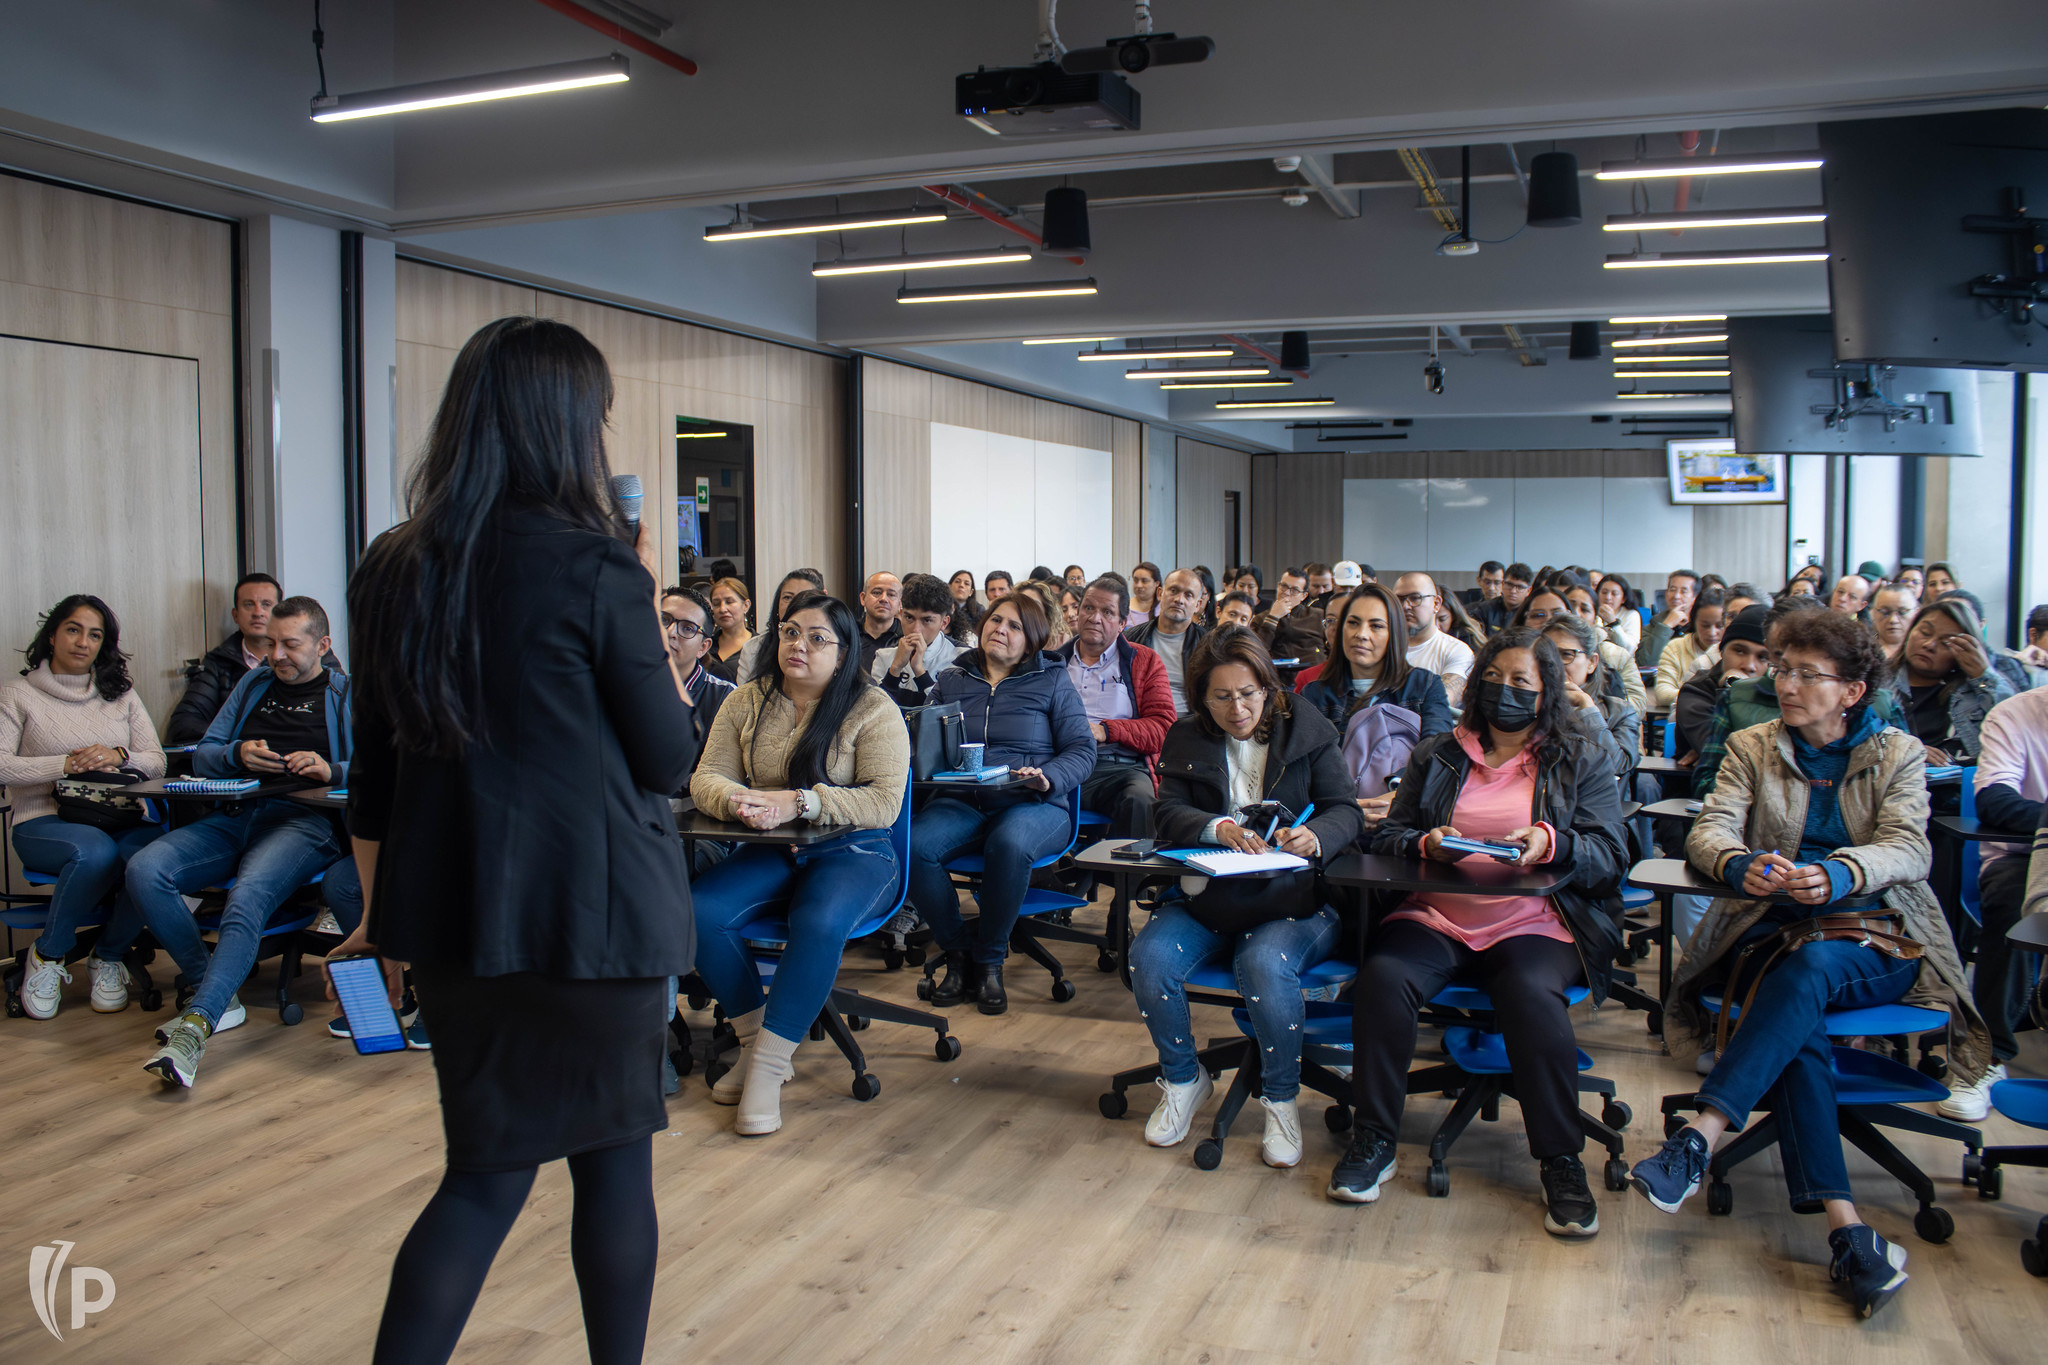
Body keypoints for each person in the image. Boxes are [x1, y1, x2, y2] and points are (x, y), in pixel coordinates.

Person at [319, 316, 694, 1365]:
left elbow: (376, 778)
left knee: (482, 1178)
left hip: (452, 920)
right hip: (595, 917)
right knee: (614, 1168)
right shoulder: (595, 567)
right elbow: (666, 757)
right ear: (570, 424)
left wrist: (377, 920)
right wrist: (645, 598)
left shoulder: (395, 565)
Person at [1632, 610, 1990, 1320]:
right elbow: (1710, 827)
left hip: (1880, 935)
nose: (1785, 683)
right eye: (1780, 667)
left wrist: (1841, 873)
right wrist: (1739, 863)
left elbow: (1909, 849)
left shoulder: (1897, 753)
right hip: (1770, 925)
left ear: (1852, 689)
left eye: (1805, 673)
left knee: (1807, 975)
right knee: (1799, 1018)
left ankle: (1699, 1136)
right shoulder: (1751, 745)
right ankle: (1849, 1231)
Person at [1328, 628, 1627, 1237]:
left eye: (1522, 683)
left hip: (1536, 922)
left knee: (1528, 993)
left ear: (1548, 693)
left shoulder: (1579, 758)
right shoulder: (1437, 753)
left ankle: (1561, 1160)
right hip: (1438, 914)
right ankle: (1374, 1138)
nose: (1505, 692)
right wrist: (1421, 842)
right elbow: (1384, 837)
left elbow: (1610, 854)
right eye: (1494, 679)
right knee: (1384, 977)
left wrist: (1553, 842)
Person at [1135, 627, 1366, 1167]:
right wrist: (1217, 828)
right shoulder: (1189, 735)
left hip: (1295, 897)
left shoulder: (1309, 731)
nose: (1237, 708)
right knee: (1149, 958)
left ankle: (1281, 1099)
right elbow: (1167, 814)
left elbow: (1346, 811)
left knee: (1263, 962)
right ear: (1202, 698)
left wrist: (1317, 835)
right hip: (1213, 894)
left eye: (1249, 693)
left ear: (1269, 687)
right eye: (1221, 697)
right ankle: (1183, 1078)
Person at [690, 592, 910, 1135]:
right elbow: (707, 777)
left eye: (817, 638)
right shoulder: (748, 699)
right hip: (773, 851)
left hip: (855, 852)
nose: (798, 645)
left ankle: (766, 1070)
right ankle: (755, 1040)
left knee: (817, 921)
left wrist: (801, 802)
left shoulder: (872, 706)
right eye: (790, 632)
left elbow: (884, 802)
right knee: (699, 911)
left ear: (843, 652)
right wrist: (739, 801)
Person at [130, 596, 351, 1086]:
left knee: (247, 896)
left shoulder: (344, 695)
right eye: (271, 643)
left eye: (291, 644)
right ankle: (216, 992)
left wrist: (330, 768)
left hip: (304, 822)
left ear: (323, 645)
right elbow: (202, 754)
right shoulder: (253, 683)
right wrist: (238, 752)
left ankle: (196, 1025)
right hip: (235, 815)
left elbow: (381, 769)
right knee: (145, 870)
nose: (278, 654)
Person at [906, 592, 1095, 1013]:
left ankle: (989, 960)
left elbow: (1083, 750)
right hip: (963, 799)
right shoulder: (953, 678)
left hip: (1033, 802)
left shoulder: (1051, 679)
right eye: (995, 621)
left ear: (1031, 642)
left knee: (1008, 844)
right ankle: (958, 952)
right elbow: (927, 744)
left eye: (1013, 627)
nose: (1000, 630)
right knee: (915, 847)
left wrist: (1049, 778)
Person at [3, 595, 167, 1019]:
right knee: (95, 851)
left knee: (154, 859)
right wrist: (65, 765)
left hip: (119, 815)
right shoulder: (17, 694)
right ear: (52, 635)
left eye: (95, 635)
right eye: (73, 630)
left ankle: (108, 956)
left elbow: (156, 759)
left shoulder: (121, 694)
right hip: (42, 819)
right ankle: (49, 956)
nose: (83, 642)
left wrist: (118, 754)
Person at [1947, 687, 2048, 1119]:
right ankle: (1986, 1056)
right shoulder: (2016, 713)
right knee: (2013, 904)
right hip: (2021, 856)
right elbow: (1995, 799)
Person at [1053, 576, 1175, 838]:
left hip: (1117, 767)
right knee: (1025, 792)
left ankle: (1128, 878)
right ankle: (1048, 876)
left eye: (1107, 612)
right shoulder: (1053, 662)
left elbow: (1163, 728)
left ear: (1122, 623)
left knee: (1139, 800)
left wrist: (1105, 731)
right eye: (1088, 608)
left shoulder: (1144, 661)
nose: (1094, 618)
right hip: (1061, 762)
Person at [166, 572, 340, 744]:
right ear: (235, 615)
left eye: (266, 604)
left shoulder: (320, 660)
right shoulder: (220, 661)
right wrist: (239, 746)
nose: (258, 612)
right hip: (241, 764)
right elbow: (184, 724)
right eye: (249, 604)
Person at [1298, 583, 1454, 739]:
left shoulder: (1425, 686)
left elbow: (1436, 754)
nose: (1361, 634)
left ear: (1394, 634)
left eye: (1376, 626)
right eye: (1353, 623)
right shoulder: (1315, 694)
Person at [1889, 596, 2013, 766]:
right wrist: (1905, 750)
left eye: (1946, 642)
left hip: (1956, 787)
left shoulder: (1973, 691)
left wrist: (1983, 675)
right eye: (1925, 632)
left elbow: (2014, 727)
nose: (1929, 644)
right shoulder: (1877, 682)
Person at [1540, 613, 1640, 780]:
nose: (1555, 664)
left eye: (1566, 655)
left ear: (1592, 662)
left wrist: (1587, 711)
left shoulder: (1620, 711)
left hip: (1597, 802)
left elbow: (1617, 766)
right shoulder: (1529, 705)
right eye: (1547, 655)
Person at [1673, 604, 1770, 762]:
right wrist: (1734, 689)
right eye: (1739, 651)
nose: (1749, 665)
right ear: (1721, 651)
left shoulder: (1778, 692)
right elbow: (1724, 755)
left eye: (1763, 657)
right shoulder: (1696, 691)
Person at [662, 584, 735, 759]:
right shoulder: (621, 684)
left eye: (687, 628)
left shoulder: (726, 697)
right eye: (664, 620)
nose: (671, 632)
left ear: (703, 647)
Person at [1125, 568, 1209, 712]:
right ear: (1160, 594)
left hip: (1190, 724)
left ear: (1198, 605)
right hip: (1142, 721)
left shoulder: (1208, 644)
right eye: (1173, 591)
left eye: (1188, 595)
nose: (1179, 600)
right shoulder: (1132, 639)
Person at [1559, 580, 1648, 715]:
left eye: (1584, 609)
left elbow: (1638, 704)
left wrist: (1589, 707)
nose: (1576, 614)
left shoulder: (1616, 655)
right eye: (1571, 607)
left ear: (1595, 618)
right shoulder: (1542, 650)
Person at [1392, 572, 1475, 708]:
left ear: (1436, 604)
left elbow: (1443, 701)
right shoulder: (1380, 646)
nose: (1406, 606)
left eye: (1415, 598)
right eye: (1399, 600)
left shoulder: (1457, 651)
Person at [876, 572, 966, 695]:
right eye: (909, 618)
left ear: (944, 623)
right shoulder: (884, 656)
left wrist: (919, 672)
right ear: (901, 615)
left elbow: (952, 710)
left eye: (927, 620)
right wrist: (895, 669)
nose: (916, 629)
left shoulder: (961, 658)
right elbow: (876, 711)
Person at [733, 568, 825, 684]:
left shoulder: (828, 645)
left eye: (804, 597)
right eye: (787, 597)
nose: (794, 604)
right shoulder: (754, 648)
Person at [1653, 589, 1726, 708]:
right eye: (1705, 625)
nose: (1712, 632)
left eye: (1719, 626)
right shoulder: (1675, 648)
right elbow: (1663, 694)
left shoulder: (1734, 652)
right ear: (1694, 621)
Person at [1635, 568, 1702, 669]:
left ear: (1695, 596)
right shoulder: (1654, 626)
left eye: (1683, 591)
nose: (1676, 596)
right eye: (1672, 590)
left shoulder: (1702, 625)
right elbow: (1646, 662)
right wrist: (1666, 626)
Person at [703, 576, 754, 682]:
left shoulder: (760, 646)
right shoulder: (705, 647)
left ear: (746, 605)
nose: (722, 609)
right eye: (716, 604)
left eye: (729, 602)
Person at [853, 570, 904, 676]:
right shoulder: (848, 634)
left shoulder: (906, 638)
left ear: (899, 604)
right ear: (863, 598)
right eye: (876, 593)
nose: (883, 599)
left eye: (891, 594)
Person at [1475, 562, 1534, 633]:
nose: (1513, 591)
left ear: (1528, 590)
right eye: (1509, 584)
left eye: (1520, 587)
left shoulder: (1532, 613)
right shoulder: (1484, 609)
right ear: (1503, 584)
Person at [1868, 584, 1915, 663]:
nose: (1893, 620)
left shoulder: (1920, 653)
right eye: (1885, 612)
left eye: (1902, 612)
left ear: (1916, 613)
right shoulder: (1862, 649)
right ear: (1873, 613)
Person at [1596, 573, 1641, 652]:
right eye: (1604, 592)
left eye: (1614, 594)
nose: (1608, 597)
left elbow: (1629, 648)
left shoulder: (1631, 615)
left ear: (1623, 598)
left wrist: (1613, 623)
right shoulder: (1591, 613)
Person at [1436, 591, 1488, 659]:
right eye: (1430, 620)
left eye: (1442, 619)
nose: (1436, 626)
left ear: (1454, 616)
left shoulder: (1467, 638)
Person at [1127, 561, 1162, 627]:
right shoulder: (1124, 607)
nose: (1139, 585)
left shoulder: (1164, 608)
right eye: (1136, 580)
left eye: (1144, 581)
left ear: (1156, 583)